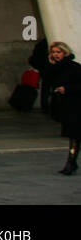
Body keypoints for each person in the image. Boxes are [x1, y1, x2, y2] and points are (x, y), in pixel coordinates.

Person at [45, 41, 81, 175]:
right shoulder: (55, 68)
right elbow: (47, 81)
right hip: (64, 106)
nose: (55, 55)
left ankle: (71, 162)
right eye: (53, 52)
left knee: (74, 135)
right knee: (73, 135)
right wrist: (51, 66)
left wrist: (67, 89)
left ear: (65, 53)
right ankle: (72, 162)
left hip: (76, 105)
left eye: (58, 52)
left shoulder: (75, 67)